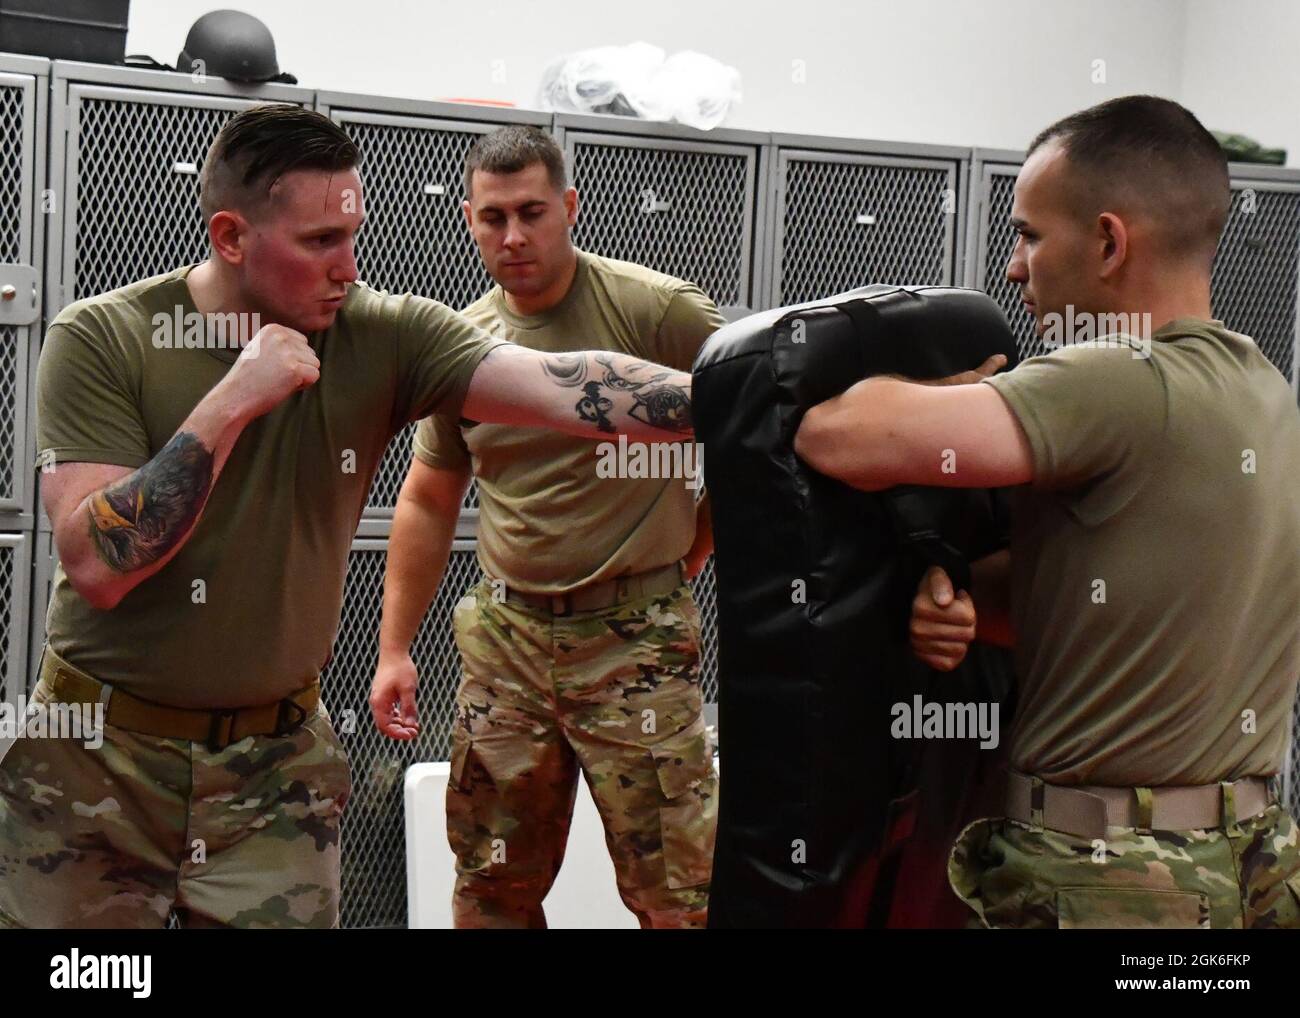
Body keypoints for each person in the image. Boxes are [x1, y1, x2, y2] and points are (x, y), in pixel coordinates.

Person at [0, 105, 697, 929]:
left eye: (351, 234)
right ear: (231, 237)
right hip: (98, 763)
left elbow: (563, 384)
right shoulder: (104, 336)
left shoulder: (382, 332)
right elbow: (98, 566)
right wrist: (233, 400)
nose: (347, 264)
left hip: (273, 774)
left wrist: (754, 390)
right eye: (319, 241)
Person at [794, 95, 1300, 928]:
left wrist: (928, 389)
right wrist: (963, 603)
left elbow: (838, 437)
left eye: (1030, 235)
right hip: (1242, 858)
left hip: (1116, 879)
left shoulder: (1119, 379)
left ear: (1108, 242)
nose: (1013, 267)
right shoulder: (1260, 387)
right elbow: (1120, 606)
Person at [368, 126, 723, 929]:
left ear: (570, 206)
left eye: (532, 212)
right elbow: (429, 498)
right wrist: (394, 649)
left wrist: (697, 544)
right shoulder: (462, 345)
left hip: (636, 640)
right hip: (509, 643)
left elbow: (760, 432)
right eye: (493, 218)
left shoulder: (656, 310)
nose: (514, 237)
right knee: (492, 889)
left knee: (680, 896)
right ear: (468, 220)